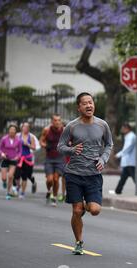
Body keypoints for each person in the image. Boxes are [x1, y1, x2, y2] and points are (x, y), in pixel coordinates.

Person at [57, 92, 113, 255]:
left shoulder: (102, 125)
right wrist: (72, 150)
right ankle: (79, 242)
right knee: (76, 210)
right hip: (73, 173)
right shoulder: (72, 126)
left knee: (94, 210)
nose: (89, 105)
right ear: (79, 107)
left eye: (91, 102)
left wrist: (103, 158)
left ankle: (86, 204)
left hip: (93, 174)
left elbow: (109, 144)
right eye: (85, 103)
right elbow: (60, 146)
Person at [111, 123, 137, 195]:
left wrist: (118, 155)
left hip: (130, 161)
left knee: (135, 177)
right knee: (123, 177)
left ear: (127, 128)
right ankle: (118, 191)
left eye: (123, 128)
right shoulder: (128, 136)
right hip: (128, 161)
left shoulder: (131, 136)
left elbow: (127, 148)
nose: (121, 130)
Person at [40, 114, 65, 206]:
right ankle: (48, 190)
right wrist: (45, 145)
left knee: (56, 179)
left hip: (60, 159)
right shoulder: (46, 130)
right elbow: (41, 140)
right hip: (49, 158)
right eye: (55, 120)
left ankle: (54, 197)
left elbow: (70, 140)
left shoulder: (64, 130)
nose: (57, 122)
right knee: (50, 180)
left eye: (59, 120)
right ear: (52, 121)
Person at [0, 125, 22, 200]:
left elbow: (20, 151)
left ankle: (8, 193)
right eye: (10, 129)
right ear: (9, 131)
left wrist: (17, 157)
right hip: (5, 159)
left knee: (10, 176)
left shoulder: (18, 140)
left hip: (13, 160)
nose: (12, 131)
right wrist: (2, 154)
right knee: (4, 178)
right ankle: (4, 182)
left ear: (15, 131)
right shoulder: (4, 139)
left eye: (13, 130)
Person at [14, 122, 37, 199]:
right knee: (16, 175)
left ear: (29, 128)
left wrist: (28, 144)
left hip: (27, 159)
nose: (25, 128)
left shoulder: (31, 137)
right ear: (22, 127)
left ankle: (22, 193)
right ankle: (18, 186)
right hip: (19, 158)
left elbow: (34, 147)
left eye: (27, 127)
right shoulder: (17, 136)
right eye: (24, 127)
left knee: (25, 176)